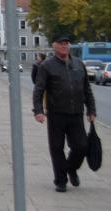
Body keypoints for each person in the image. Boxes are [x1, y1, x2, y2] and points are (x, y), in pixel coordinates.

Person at [32, 36, 97, 193]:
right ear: (54, 46)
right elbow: (39, 90)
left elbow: (87, 89)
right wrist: (39, 111)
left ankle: (71, 168)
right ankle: (60, 181)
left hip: (76, 113)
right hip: (56, 113)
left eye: (66, 44)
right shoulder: (47, 66)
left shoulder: (78, 64)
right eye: (60, 44)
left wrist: (91, 109)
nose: (64, 46)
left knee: (81, 146)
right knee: (56, 147)